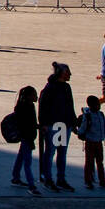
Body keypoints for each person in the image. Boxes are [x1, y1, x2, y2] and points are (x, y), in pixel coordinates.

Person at [38, 61, 78, 192]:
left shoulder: (66, 87)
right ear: (61, 74)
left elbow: (70, 106)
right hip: (52, 126)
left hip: (64, 125)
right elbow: (42, 106)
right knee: (50, 153)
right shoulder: (50, 88)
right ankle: (48, 179)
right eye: (67, 72)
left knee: (62, 153)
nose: (70, 74)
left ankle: (61, 179)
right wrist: (43, 124)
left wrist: (73, 123)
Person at [76, 94, 105, 190]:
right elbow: (83, 128)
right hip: (90, 142)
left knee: (100, 163)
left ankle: (102, 181)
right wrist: (77, 132)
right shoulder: (87, 116)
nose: (99, 106)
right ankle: (88, 181)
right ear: (90, 105)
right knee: (89, 163)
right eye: (97, 104)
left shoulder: (101, 114)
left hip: (99, 142)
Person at [10, 85, 41, 195]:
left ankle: (15, 177)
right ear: (29, 96)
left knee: (21, 157)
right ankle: (31, 185)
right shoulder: (27, 107)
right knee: (27, 163)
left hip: (26, 136)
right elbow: (28, 124)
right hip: (27, 137)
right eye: (34, 95)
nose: (36, 97)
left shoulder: (25, 106)